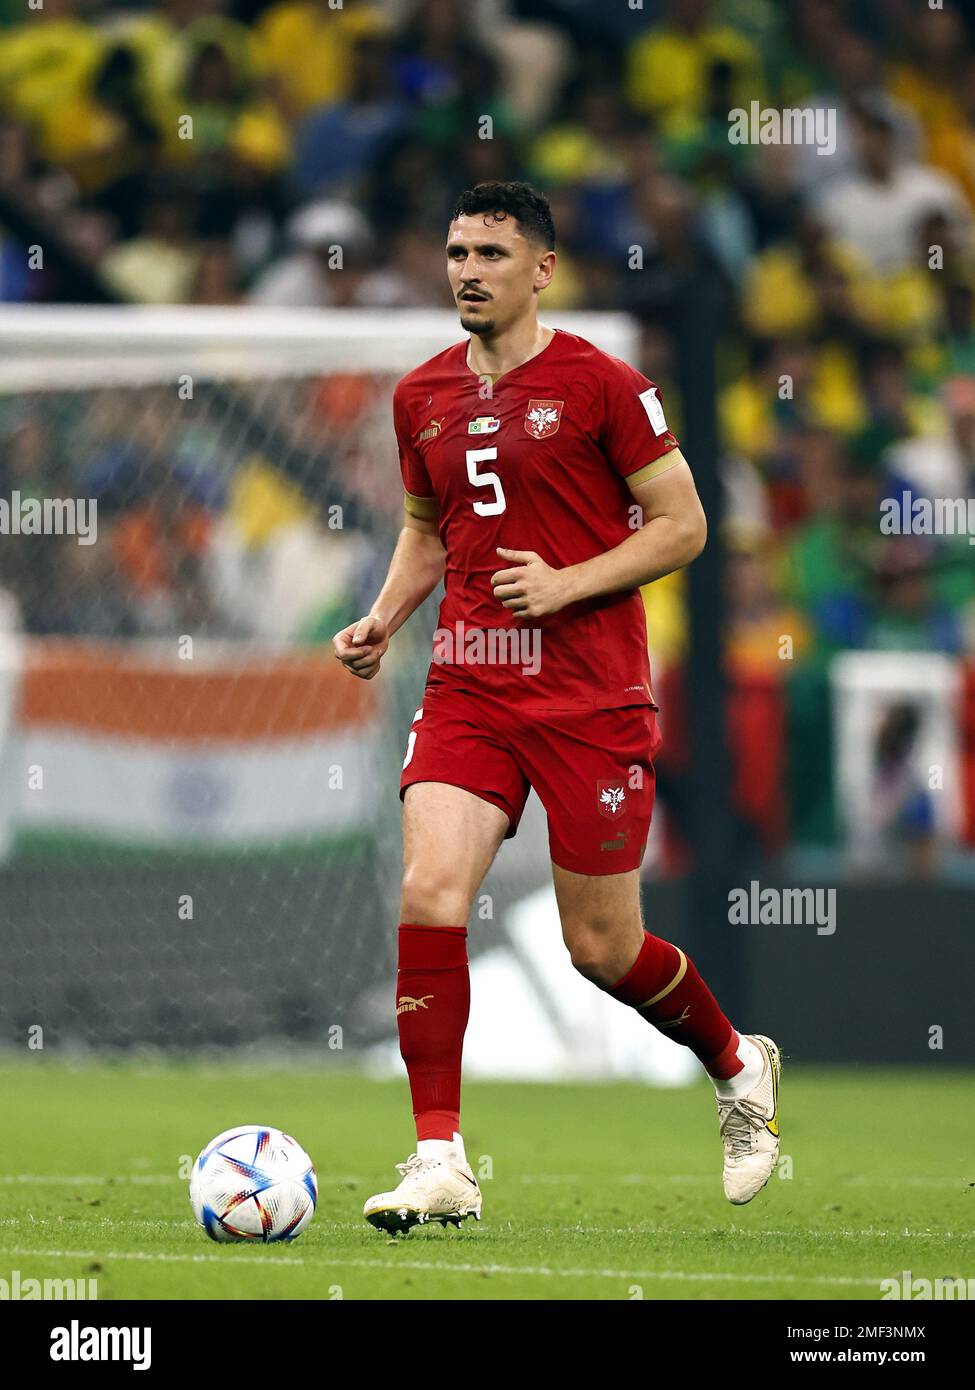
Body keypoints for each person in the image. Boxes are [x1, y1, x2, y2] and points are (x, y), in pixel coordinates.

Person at [332, 180, 782, 1232]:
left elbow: (683, 525)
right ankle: (439, 1156)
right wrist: (386, 614)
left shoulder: (603, 385)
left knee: (601, 945)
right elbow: (428, 526)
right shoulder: (422, 396)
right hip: (468, 685)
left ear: (541, 268)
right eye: (455, 252)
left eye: (491, 253)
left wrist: (572, 581)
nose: (468, 271)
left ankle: (735, 1062)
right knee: (431, 889)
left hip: (590, 694)